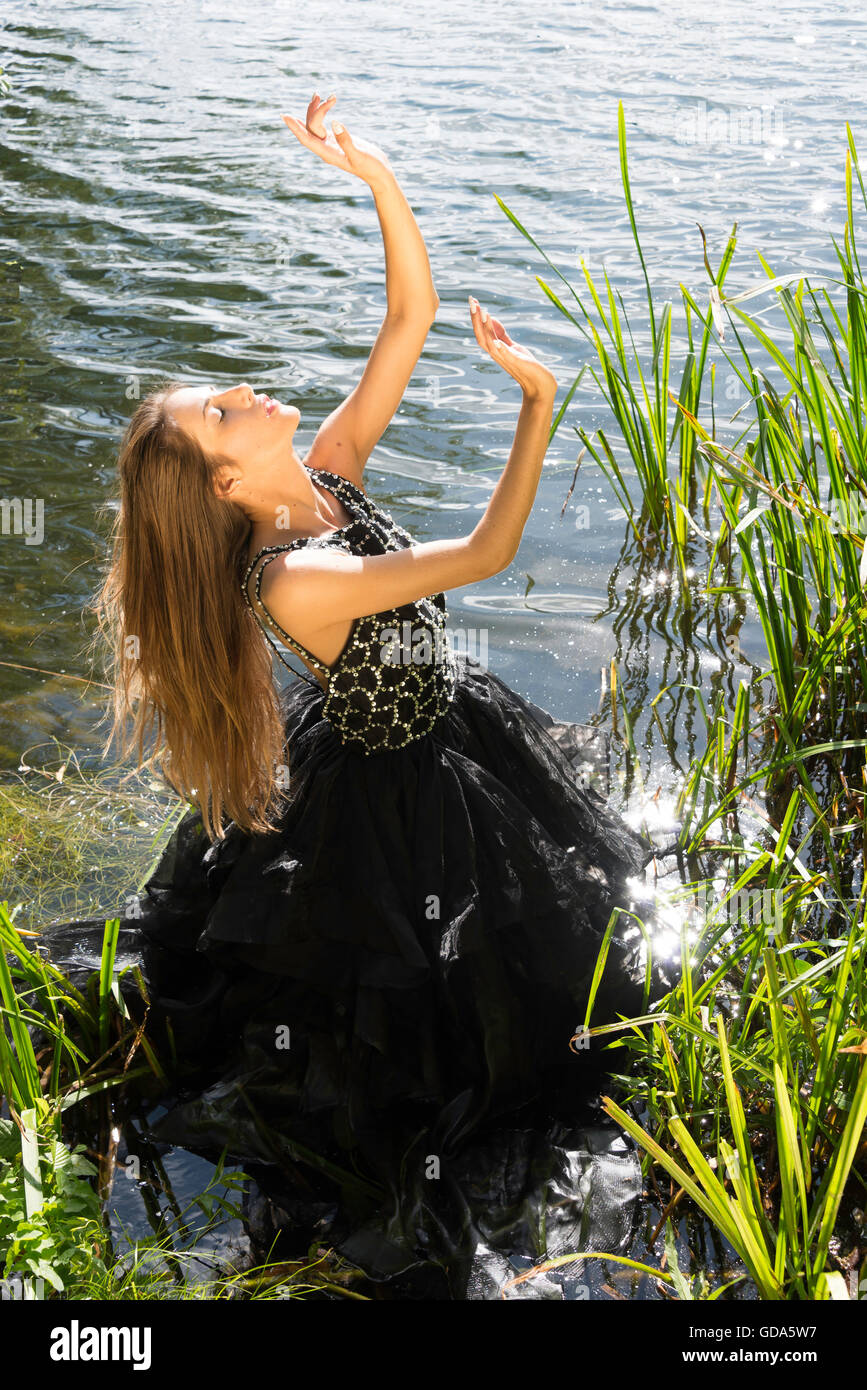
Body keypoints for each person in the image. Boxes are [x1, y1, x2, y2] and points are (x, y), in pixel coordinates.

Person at [50, 95, 665, 1297]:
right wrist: (537, 405)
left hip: (445, 726)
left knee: (566, 897)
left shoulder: (325, 472)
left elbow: (408, 317)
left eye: (227, 388)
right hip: (399, 797)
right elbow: (483, 556)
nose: (250, 393)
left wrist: (373, 170)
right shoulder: (303, 576)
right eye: (226, 411)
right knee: (438, 1009)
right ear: (229, 481)